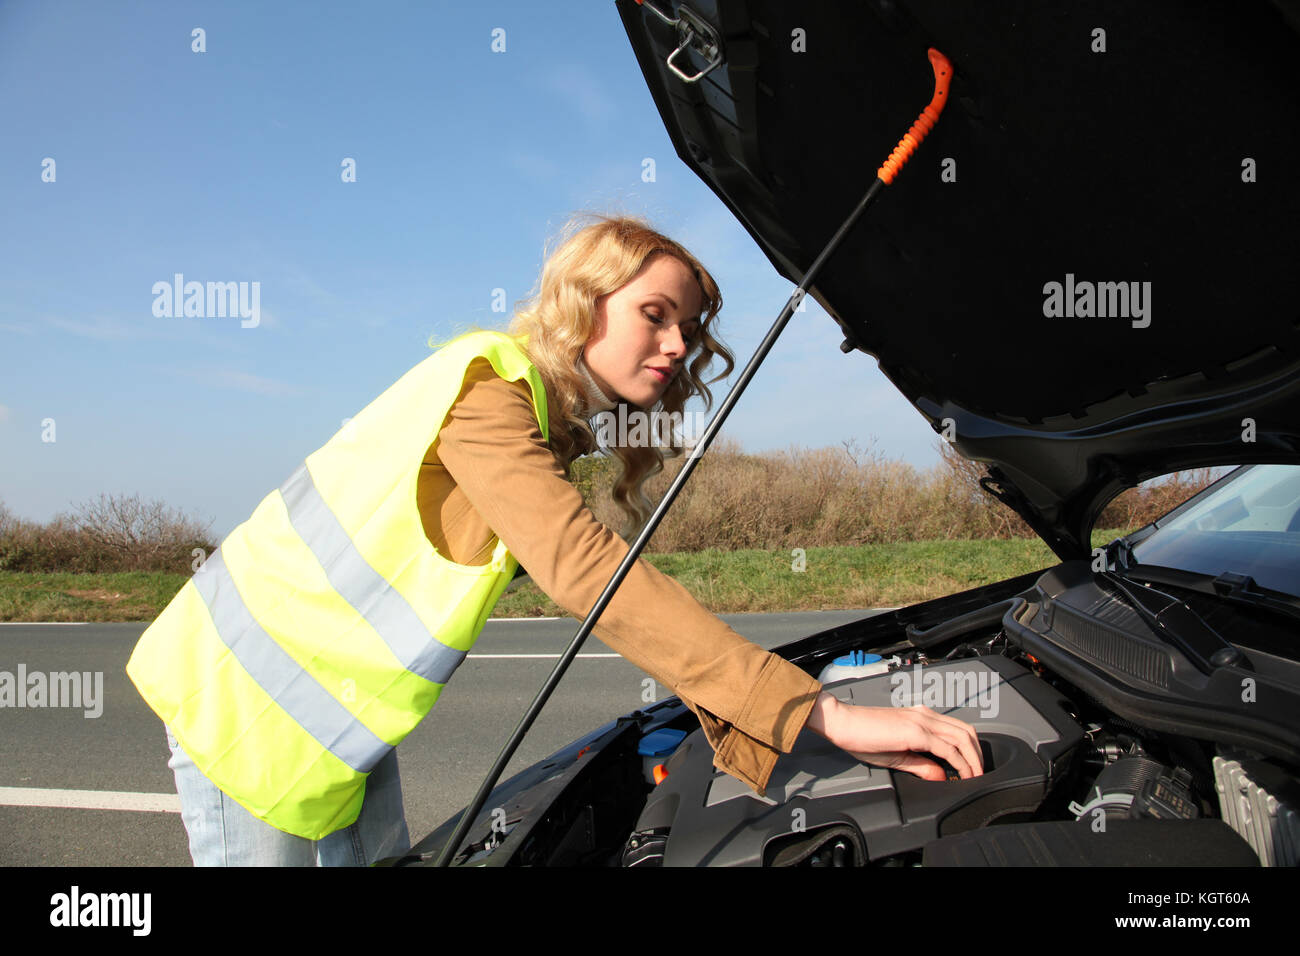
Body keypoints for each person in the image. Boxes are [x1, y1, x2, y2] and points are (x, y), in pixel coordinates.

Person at [128, 213, 983, 866]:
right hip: (239, 703)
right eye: (654, 314)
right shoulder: (486, 389)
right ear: (585, 301)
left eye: (685, 326)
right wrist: (808, 709)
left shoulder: (539, 420)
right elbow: (586, 571)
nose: (678, 345)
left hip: (330, 721)